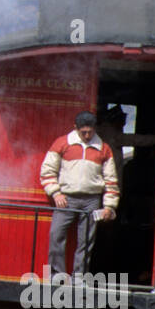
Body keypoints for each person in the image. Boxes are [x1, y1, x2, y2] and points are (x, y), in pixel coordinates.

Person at [39, 111, 119, 277]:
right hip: (66, 198)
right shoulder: (62, 143)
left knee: (86, 241)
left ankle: (79, 277)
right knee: (56, 236)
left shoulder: (104, 148)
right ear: (75, 128)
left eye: (90, 132)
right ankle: (56, 275)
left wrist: (109, 206)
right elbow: (47, 171)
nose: (88, 135)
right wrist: (56, 193)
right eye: (84, 132)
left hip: (92, 200)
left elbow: (111, 180)